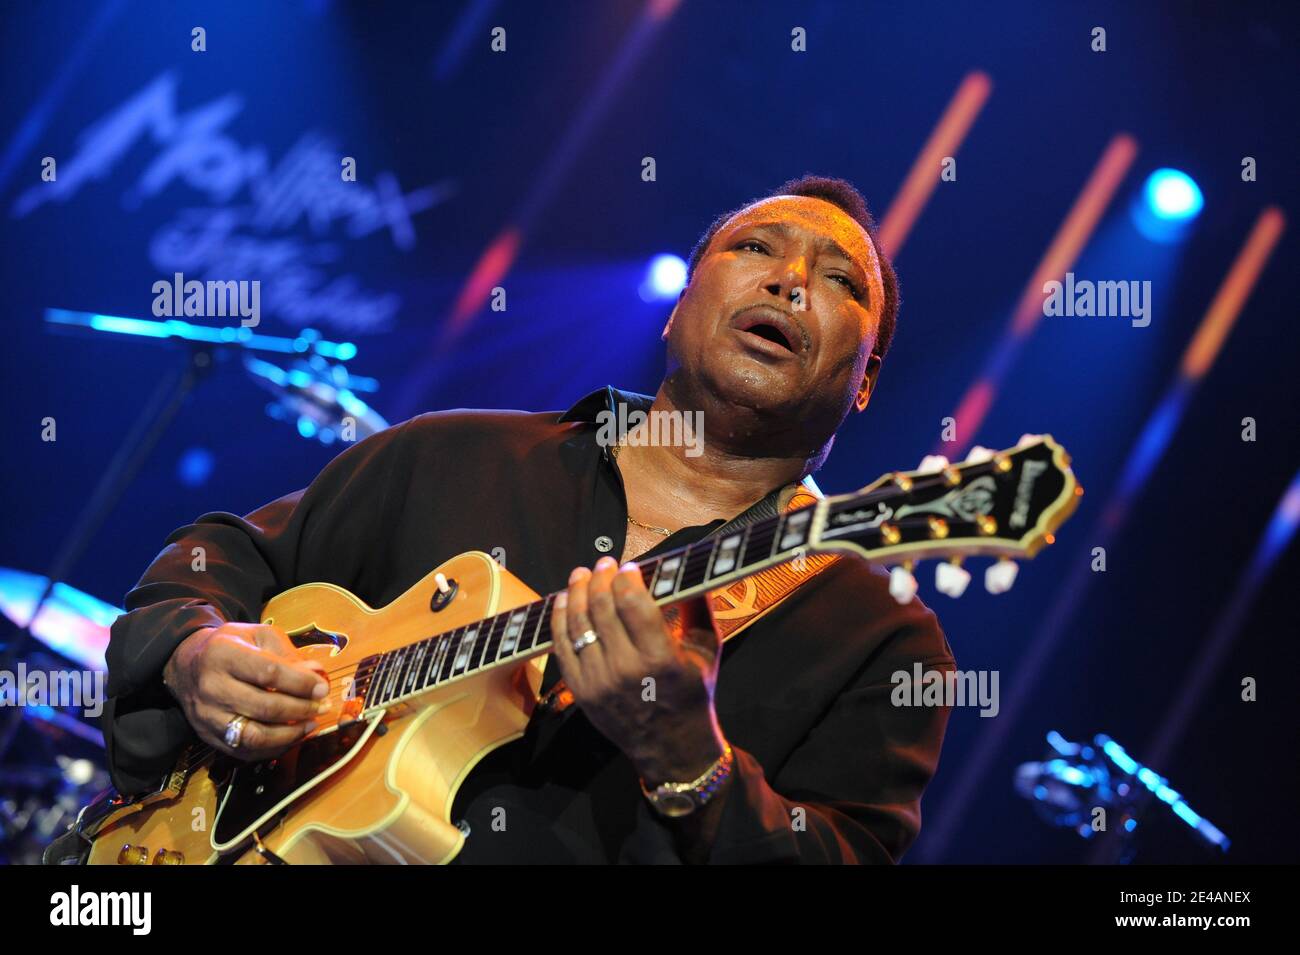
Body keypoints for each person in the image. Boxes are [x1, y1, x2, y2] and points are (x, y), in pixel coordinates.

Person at [103, 174, 956, 864]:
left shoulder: (881, 639)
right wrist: (193, 651)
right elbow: (219, 557)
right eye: (755, 247)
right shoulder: (448, 453)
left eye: (840, 280)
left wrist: (692, 764)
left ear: (866, 382)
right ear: (678, 306)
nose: (791, 280)